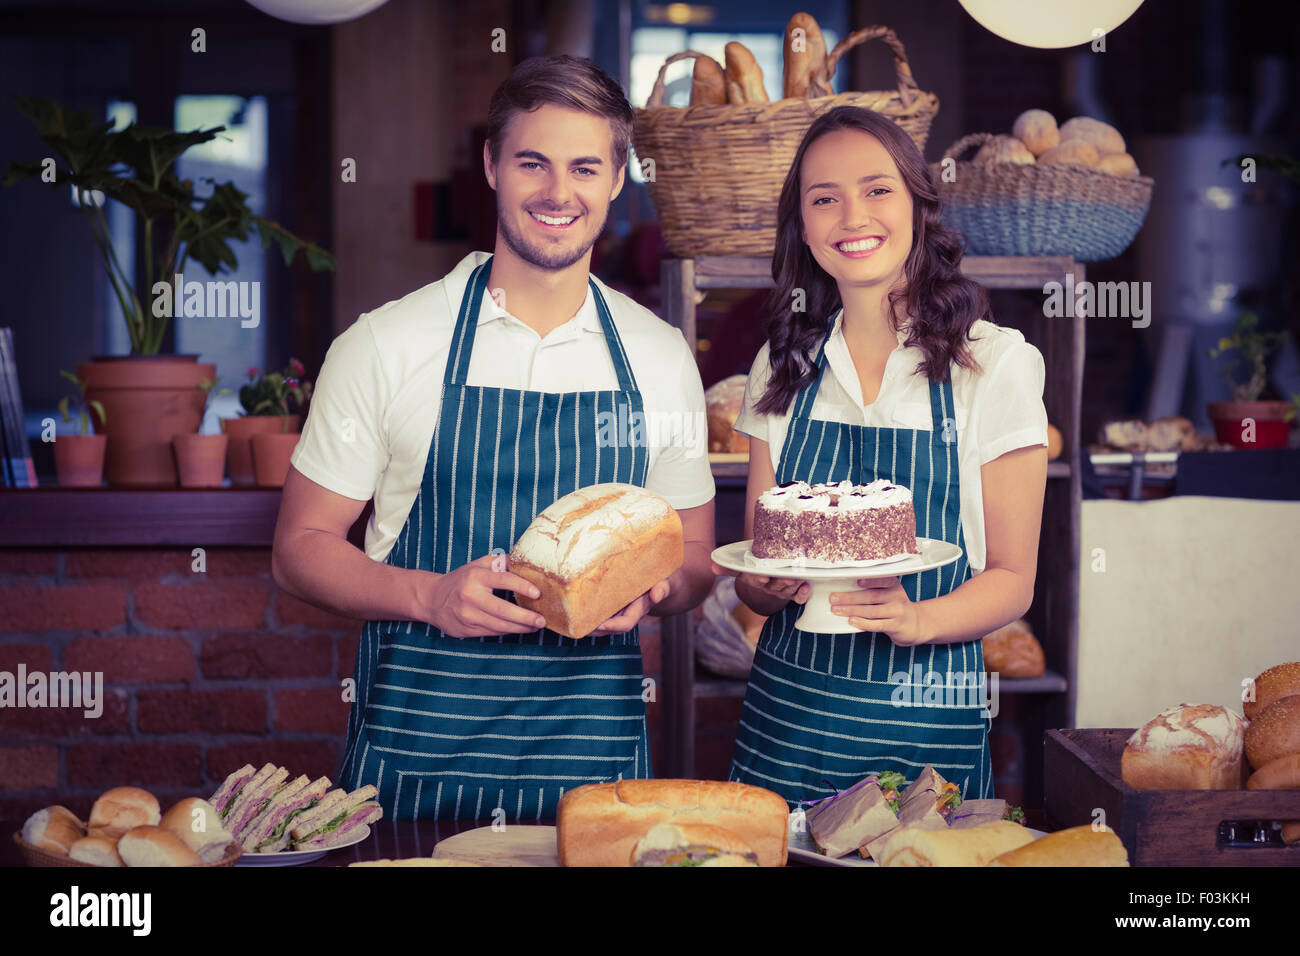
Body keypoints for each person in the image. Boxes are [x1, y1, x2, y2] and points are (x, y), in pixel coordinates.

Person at [273, 55, 716, 821]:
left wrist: (651, 591)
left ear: (617, 178)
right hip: (413, 776)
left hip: (595, 777)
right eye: (531, 163)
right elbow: (298, 549)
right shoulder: (387, 344)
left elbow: (697, 563)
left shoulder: (659, 355)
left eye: (584, 166)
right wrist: (429, 595)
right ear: (491, 165)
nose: (557, 192)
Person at [714, 106, 1048, 806]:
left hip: (925, 734)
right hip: (786, 729)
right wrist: (762, 587)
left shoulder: (993, 363)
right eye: (823, 199)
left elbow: (1014, 579)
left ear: (918, 206)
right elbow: (754, 567)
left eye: (876, 190)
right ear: (802, 226)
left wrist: (918, 621)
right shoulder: (780, 363)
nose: (851, 216)